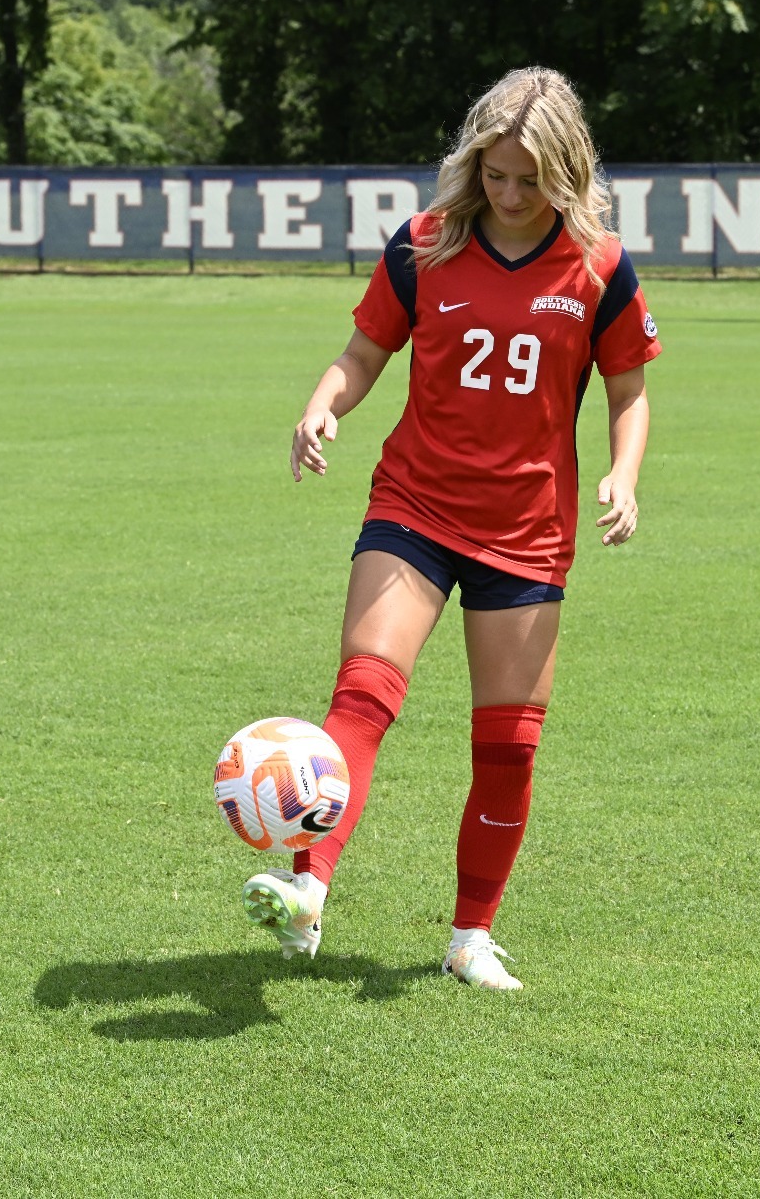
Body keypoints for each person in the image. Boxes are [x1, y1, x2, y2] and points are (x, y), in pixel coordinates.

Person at [243, 67, 660, 991]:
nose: (509, 196)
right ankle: (307, 889)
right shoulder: (425, 245)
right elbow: (363, 352)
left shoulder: (598, 266)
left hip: (528, 529)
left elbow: (629, 391)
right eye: (496, 175)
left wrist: (623, 475)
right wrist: (323, 406)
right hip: (415, 507)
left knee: (508, 746)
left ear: (567, 171)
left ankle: (471, 936)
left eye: (529, 180)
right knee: (363, 694)